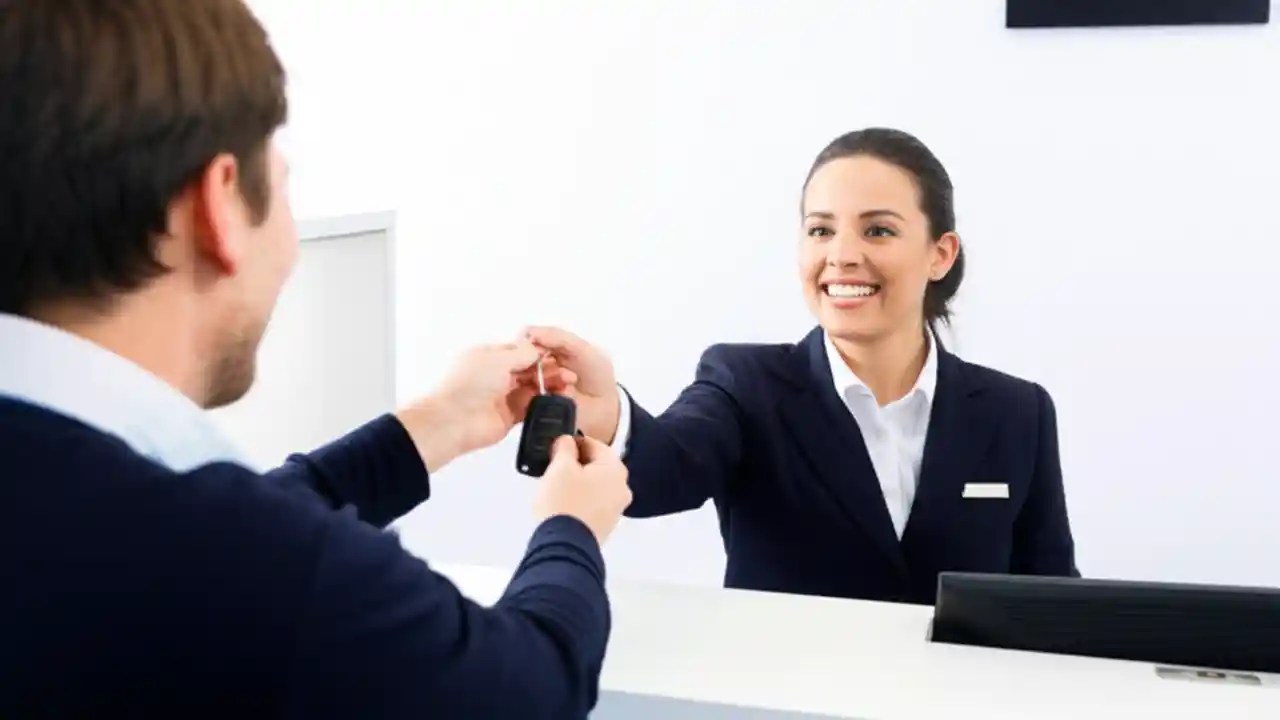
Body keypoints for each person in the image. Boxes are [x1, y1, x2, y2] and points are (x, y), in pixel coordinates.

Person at [0, 1, 630, 717]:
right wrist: (572, 527)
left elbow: (246, 525)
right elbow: (530, 689)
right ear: (220, 204)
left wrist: (436, 423)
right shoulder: (239, 563)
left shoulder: (114, 513)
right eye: (285, 184)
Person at [527, 127, 1079, 605]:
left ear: (941, 254)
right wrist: (608, 415)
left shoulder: (1017, 412)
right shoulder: (746, 386)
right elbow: (663, 469)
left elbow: (1053, 598)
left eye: (878, 230)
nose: (841, 253)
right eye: (820, 230)